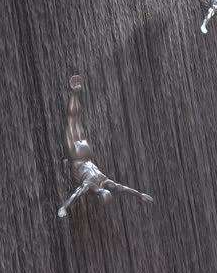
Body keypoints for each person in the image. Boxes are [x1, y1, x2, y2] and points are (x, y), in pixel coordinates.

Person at [58, 75, 154, 217]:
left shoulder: (106, 181)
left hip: (87, 153)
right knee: (72, 122)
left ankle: (76, 93)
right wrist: (64, 208)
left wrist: (140, 194)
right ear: (98, 196)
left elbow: (122, 188)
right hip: (76, 155)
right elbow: (76, 195)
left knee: (77, 122)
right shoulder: (90, 185)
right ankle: (74, 93)